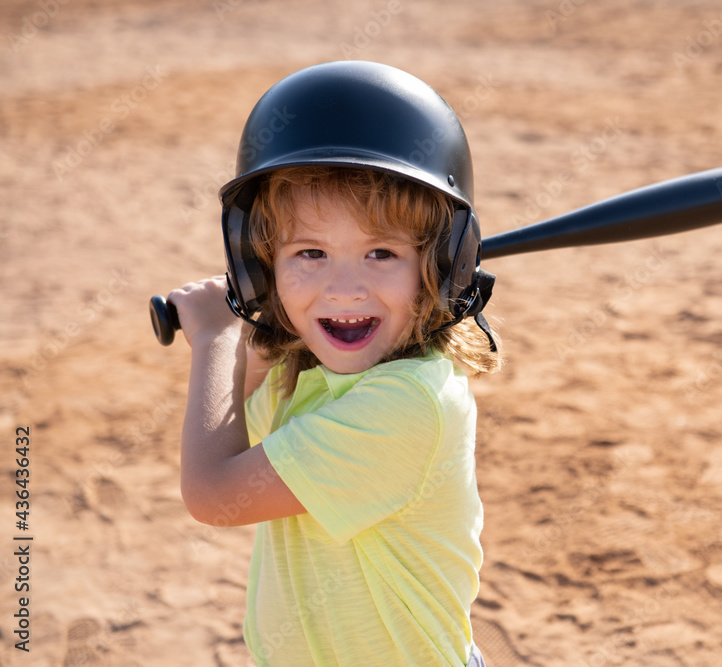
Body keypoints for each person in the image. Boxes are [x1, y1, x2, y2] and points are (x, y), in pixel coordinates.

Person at [167, 61, 500, 666]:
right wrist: (263, 309)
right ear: (261, 263)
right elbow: (237, 415)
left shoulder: (406, 405)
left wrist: (218, 335)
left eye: (381, 252)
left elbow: (215, 492)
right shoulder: (315, 371)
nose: (344, 290)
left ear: (443, 264)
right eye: (311, 253)